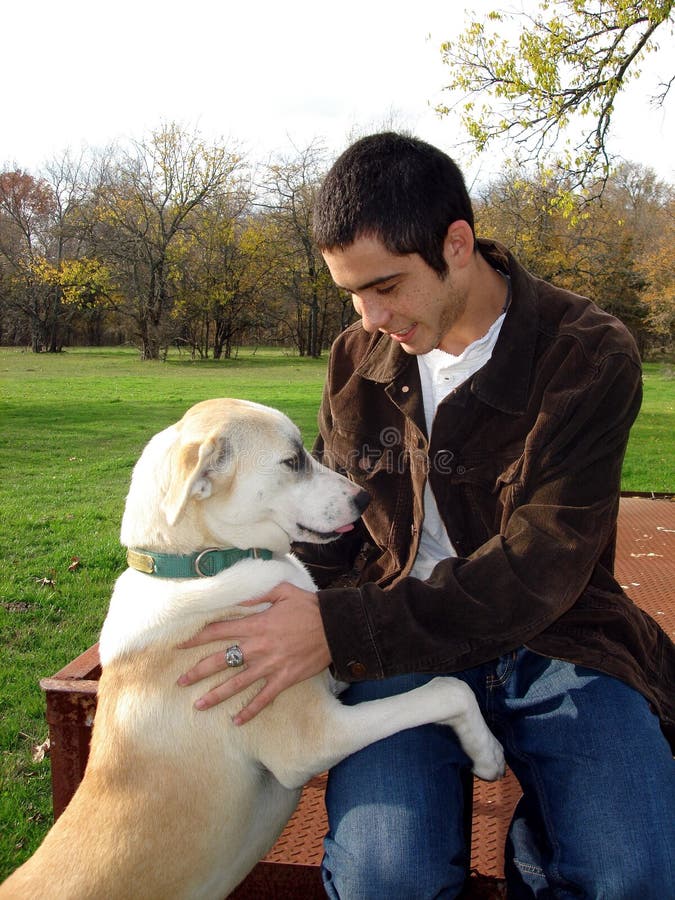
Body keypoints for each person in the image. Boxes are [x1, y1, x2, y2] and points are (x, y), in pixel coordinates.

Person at [178, 132, 675, 898]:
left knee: (632, 872)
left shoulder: (585, 353)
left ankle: (541, 844)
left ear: (456, 243)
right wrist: (244, 615)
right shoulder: (356, 358)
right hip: (394, 645)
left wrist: (338, 631)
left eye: (385, 286)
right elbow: (329, 529)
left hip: (559, 634)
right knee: (386, 874)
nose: (369, 316)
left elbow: (541, 565)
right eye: (350, 292)